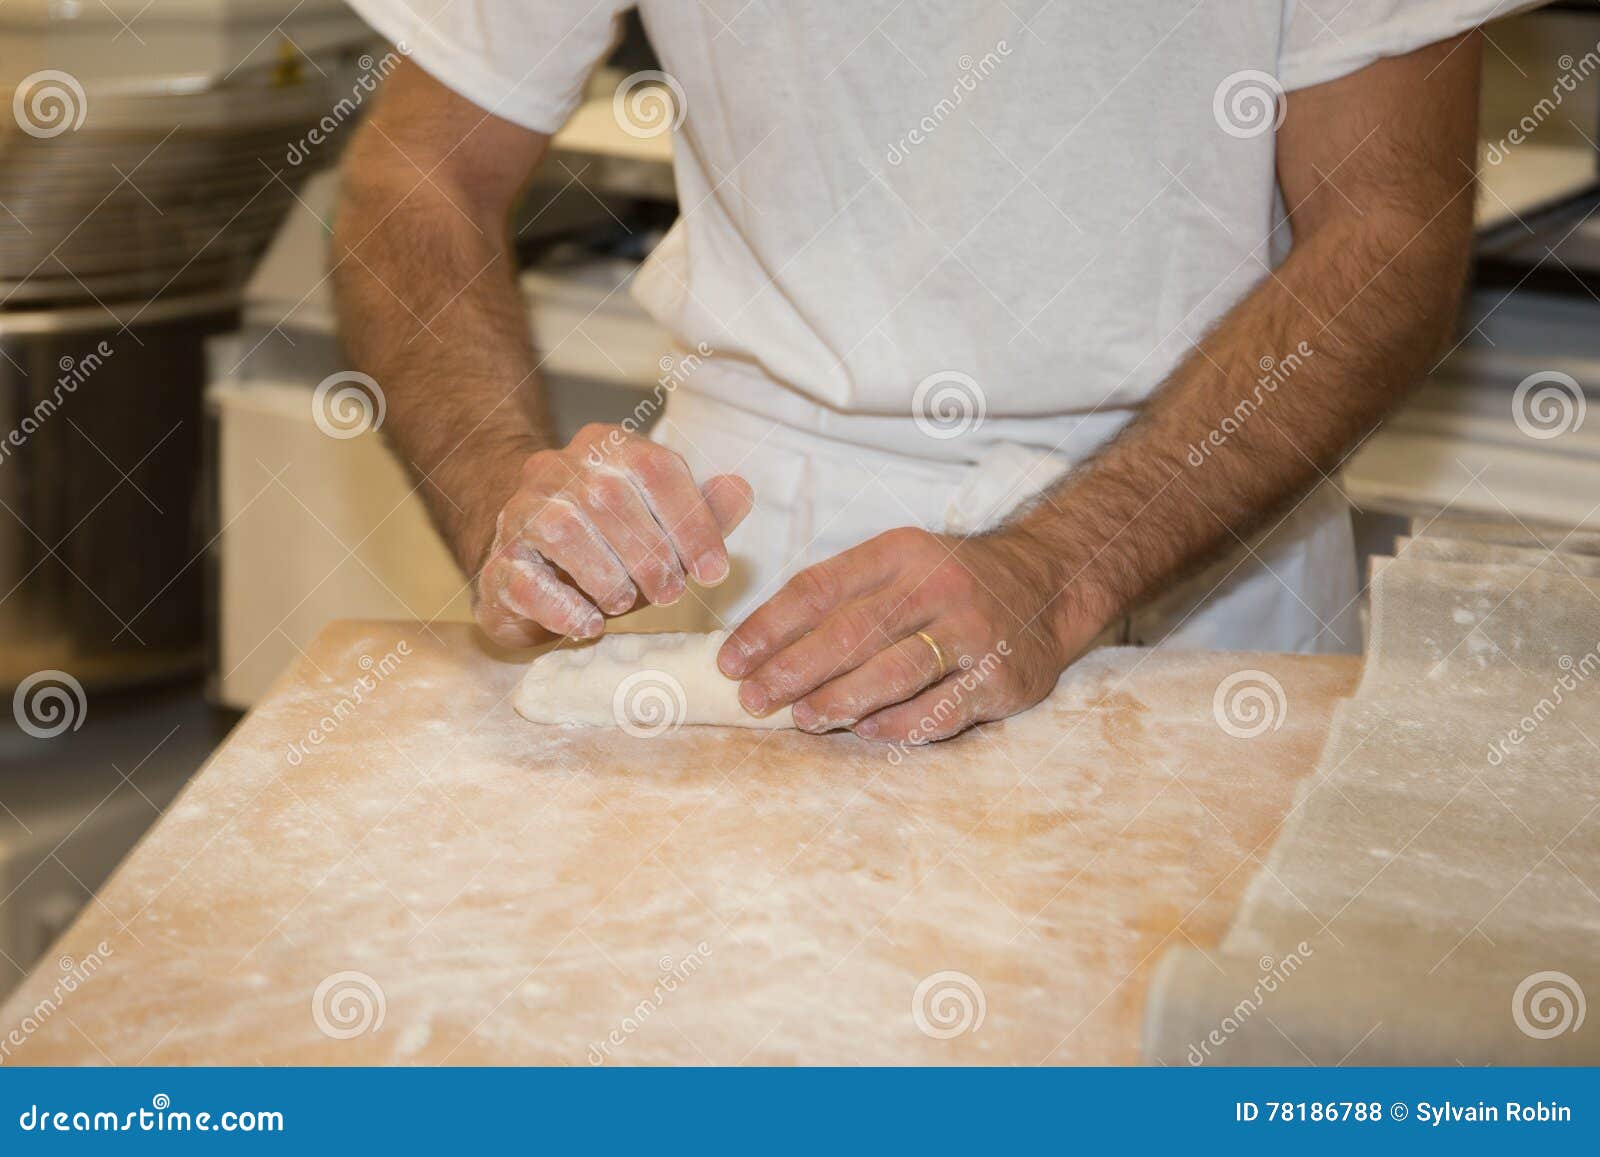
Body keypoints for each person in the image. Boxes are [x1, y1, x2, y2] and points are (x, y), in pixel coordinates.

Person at [332, 2, 1515, 743]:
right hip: (760, 575)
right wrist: (504, 497)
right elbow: (419, 178)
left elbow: (1389, 227)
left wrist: (1061, 568)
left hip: (1208, 560)